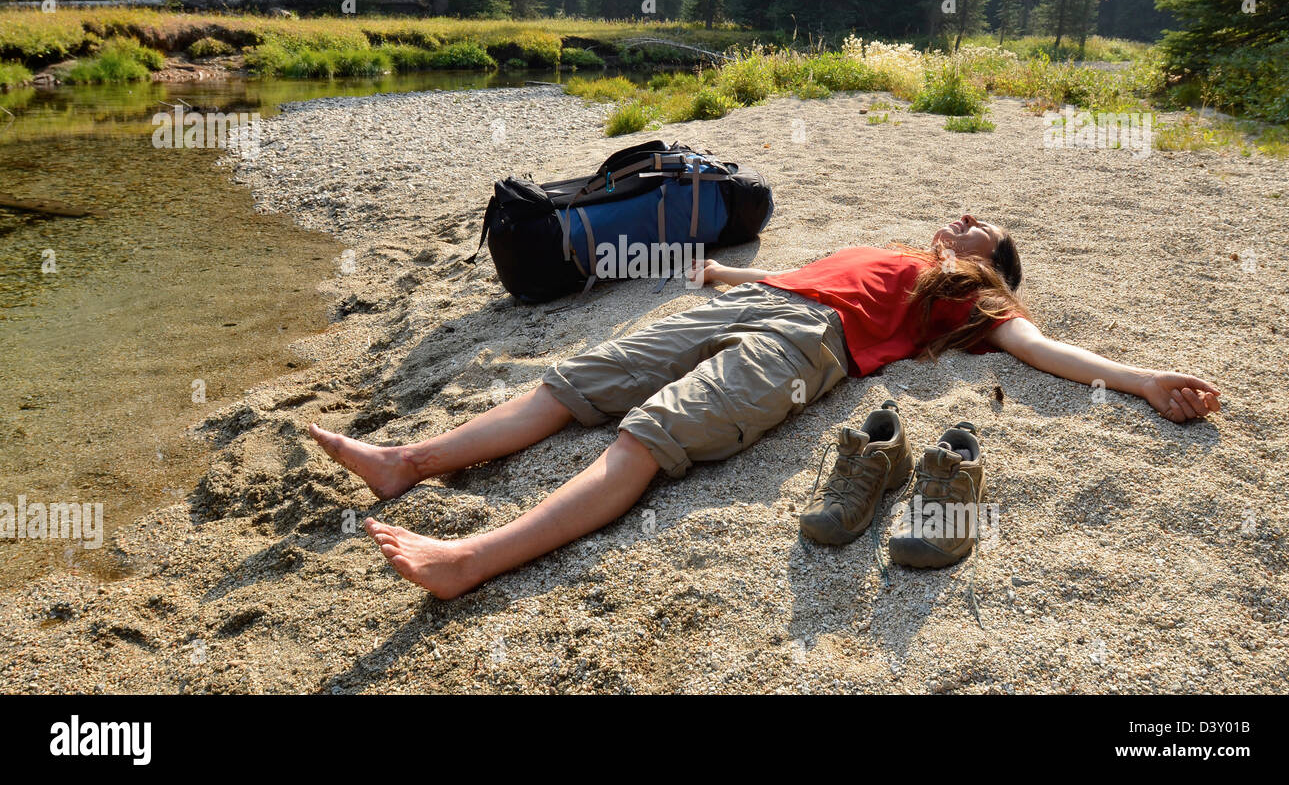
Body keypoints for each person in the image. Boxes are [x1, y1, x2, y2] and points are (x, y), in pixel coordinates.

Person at [307, 215, 1221, 598]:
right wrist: (727, 274)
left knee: (643, 439)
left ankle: (468, 560)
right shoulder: (896, 249)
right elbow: (791, 272)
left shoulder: (975, 291)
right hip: (756, 300)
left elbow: (1038, 349)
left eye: (982, 227)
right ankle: (408, 462)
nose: (964, 220)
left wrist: (1140, 378)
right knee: (570, 384)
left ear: (993, 260)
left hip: (802, 348)